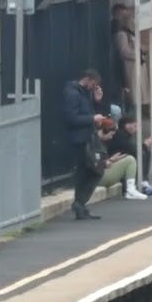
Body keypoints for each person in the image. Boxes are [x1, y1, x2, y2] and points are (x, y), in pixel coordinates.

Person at [64, 70, 108, 220]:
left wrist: (97, 101)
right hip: (80, 140)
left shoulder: (83, 93)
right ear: (88, 80)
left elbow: (89, 113)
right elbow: (71, 118)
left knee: (87, 172)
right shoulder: (73, 94)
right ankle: (80, 203)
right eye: (93, 84)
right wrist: (92, 118)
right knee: (94, 171)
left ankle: (80, 205)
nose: (94, 87)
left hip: (87, 138)